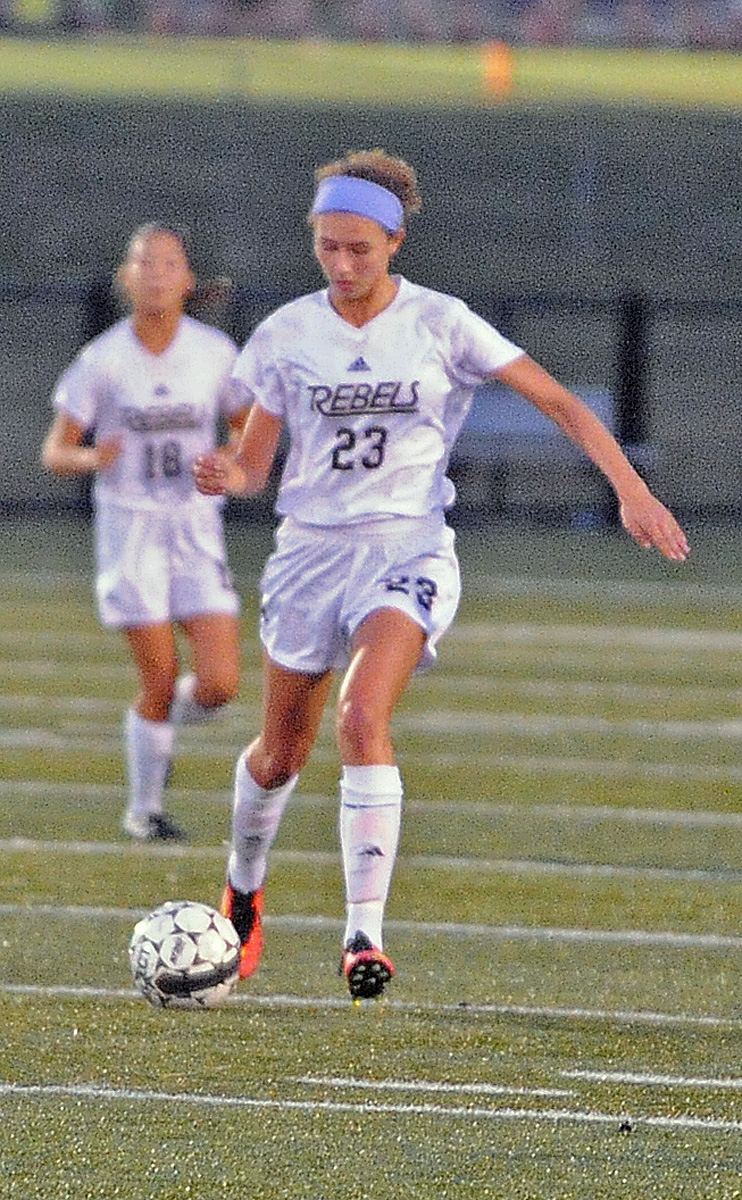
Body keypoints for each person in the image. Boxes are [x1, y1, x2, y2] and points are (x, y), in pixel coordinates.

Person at [193, 149, 689, 1000]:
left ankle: (364, 936)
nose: (343, 265)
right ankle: (243, 889)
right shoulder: (287, 333)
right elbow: (255, 462)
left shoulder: (441, 322)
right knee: (279, 755)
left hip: (408, 547)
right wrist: (228, 476)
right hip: (311, 552)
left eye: (360, 247)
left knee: (361, 717)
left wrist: (631, 490)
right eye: (327, 247)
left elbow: (561, 402)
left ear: (395, 240)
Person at [42, 223, 250, 842]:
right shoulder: (102, 359)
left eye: (168, 263)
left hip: (194, 527)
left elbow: (247, 428)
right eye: (144, 263)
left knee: (218, 684)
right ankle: (145, 808)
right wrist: (90, 459)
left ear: (188, 280)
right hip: (130, 528)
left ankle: (154, 730)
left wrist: (230, 459)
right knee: (157, 679)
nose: (156, 273)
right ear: (126, 279)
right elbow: (56, 449)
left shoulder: (214, 351)